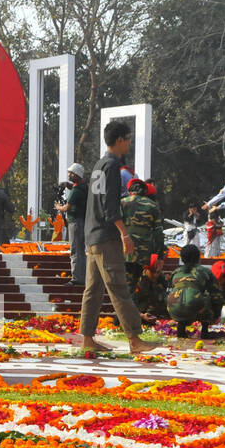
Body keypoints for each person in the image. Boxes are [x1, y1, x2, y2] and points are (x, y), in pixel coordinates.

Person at [80, 120, 155, 354]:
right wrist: (124, 233)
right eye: (129, 139)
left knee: (92, 290)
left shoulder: (98, 164)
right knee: (118, 286)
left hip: (92, 235)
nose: (130, 144)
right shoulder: (113, 166)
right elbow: (110, 206)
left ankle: (88, 339)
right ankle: (135, 339)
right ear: (121, 140)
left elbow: (95, 204)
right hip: (106, 235)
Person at [167, 244, 222, 337]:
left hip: (173, 308)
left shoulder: (175, 272)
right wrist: (216, 315)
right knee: (208, 296)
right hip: (194, 306)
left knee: (183, 297)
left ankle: (181, 328)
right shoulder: (204, 271)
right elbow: (216, 295)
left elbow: (169, 290)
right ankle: (205, 331)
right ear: (198, 257)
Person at [121, 178, 162, 287]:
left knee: (124, 284)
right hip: (144, 253)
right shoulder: (153, 206)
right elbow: (158, 232)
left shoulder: (122, 203)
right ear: (145, 192)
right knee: (141, 284)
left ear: (129, 191)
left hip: (124, 250)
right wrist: (160, 255)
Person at [55, 163, 88, 286]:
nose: (69, 175)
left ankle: (77, 279)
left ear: (76, 175)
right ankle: (82, 277)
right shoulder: (83, 186)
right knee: (80, 250)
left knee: (75, 251)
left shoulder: (76, 191)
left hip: (75, 222)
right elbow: (76, 189)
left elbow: (67, 208)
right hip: (82, 221)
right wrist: (69, 186)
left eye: (71, 173)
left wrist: (58, 206)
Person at [134, 253, 170, 319]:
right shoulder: (137, 281)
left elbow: (164, 298)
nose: (155, 275)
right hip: (139, 315)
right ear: (146, 270)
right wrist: (142, 315)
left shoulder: (161, 279)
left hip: (158, 316)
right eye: (153, 272)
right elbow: (129, 306)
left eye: (158, 272)